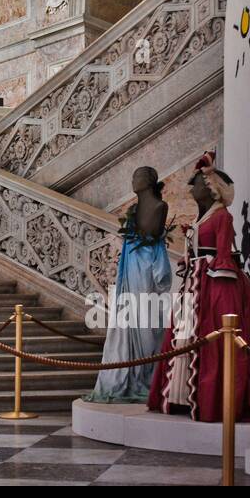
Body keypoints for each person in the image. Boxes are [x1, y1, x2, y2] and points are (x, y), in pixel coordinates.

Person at [147, 152, 250, 423]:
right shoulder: (203, 218)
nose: (193, 187)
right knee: (185, 334)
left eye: (198, 183)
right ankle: (183, 396)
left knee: (212, 336)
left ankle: (211, 399)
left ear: (213, 189)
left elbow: (223, 253)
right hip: (196, 282)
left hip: (216, 285)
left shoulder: (222, 217)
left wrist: (209, 274)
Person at [85, 166, 174, 403]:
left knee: (147, 322)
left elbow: (151, 236)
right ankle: (130, 372)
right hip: (130, 268)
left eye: (138, 176)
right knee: (129, 319)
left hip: (146, 270)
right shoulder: (134, 209)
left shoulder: (160, 207)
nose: (133, 179)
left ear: (150, 180)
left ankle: (146, 373)